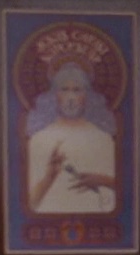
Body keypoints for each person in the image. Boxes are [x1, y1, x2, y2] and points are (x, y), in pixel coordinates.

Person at [26, 59, 118, 213]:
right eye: (64, 90)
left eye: (77, 90)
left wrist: (102, 180)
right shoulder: (39, 139)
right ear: (55, 94)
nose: (70, 97)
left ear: (86, 95)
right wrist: (49, 177)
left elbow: (124, 193)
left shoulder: (103, 139)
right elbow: (30, 203)